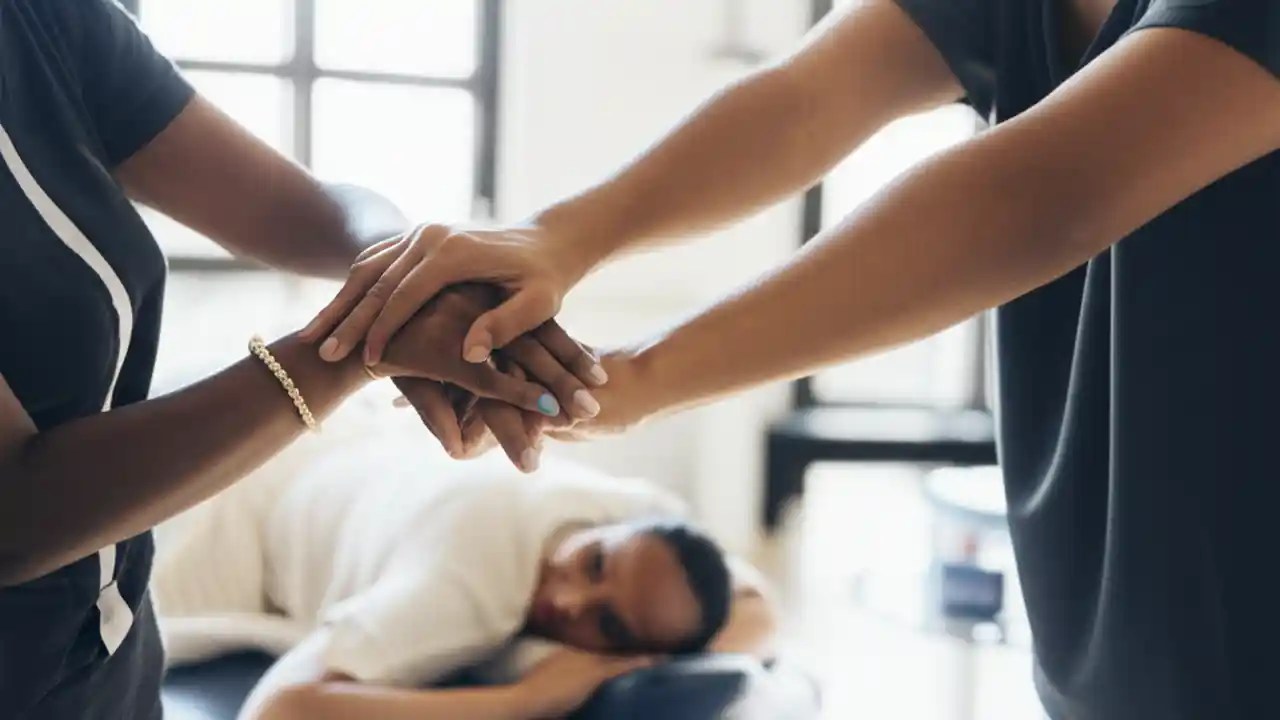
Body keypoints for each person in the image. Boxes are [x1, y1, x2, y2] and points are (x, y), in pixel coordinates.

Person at [307, 1, 1280, 717]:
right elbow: (808, 96)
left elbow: (1039, 194)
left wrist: (619, 382)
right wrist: (552, 241)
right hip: (1110, 668)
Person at [0, 3, 602, 718]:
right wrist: (351, 349)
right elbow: (15, 510)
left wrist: (407, 269)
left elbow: (306, 209)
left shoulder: (42, 21)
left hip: (109, 666)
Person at [148, 442, 774, 720]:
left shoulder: (631, 530)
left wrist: (648, 665)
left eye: (605, 622)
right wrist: (519, 703)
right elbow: (279, 709)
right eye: (594, 564)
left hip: (366, 461)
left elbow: (756, 606)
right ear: (617, 534)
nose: (566, 599)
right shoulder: (461, 594)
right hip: (245, 512)